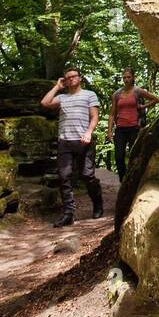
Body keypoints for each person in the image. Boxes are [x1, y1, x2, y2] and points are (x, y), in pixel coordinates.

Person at [41, 67, 104, 227]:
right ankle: (68, 213)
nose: (70, 79)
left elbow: (95, 116)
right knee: (64, 177)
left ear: (80, 78)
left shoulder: (89, 95)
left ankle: (97, 203)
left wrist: (89, 132)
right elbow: (45, 102)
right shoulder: (62, 98)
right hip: (65, 142)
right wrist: (57, 86)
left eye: (73, 76)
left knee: (87, 176)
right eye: (67, 77)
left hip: (83, 141)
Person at [107, 68, 159, 180]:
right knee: (119, 157)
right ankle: (123, 180)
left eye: (128, 77)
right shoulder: (116, 94)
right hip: (120, 129)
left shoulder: (137, 91)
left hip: (134, 128)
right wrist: (109, 131)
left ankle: (133, 179)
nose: (126, 79)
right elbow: (112, 114)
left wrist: (143, 106)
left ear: (133, 78)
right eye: (124, 77)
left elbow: (156, 99)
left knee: (134, 156)